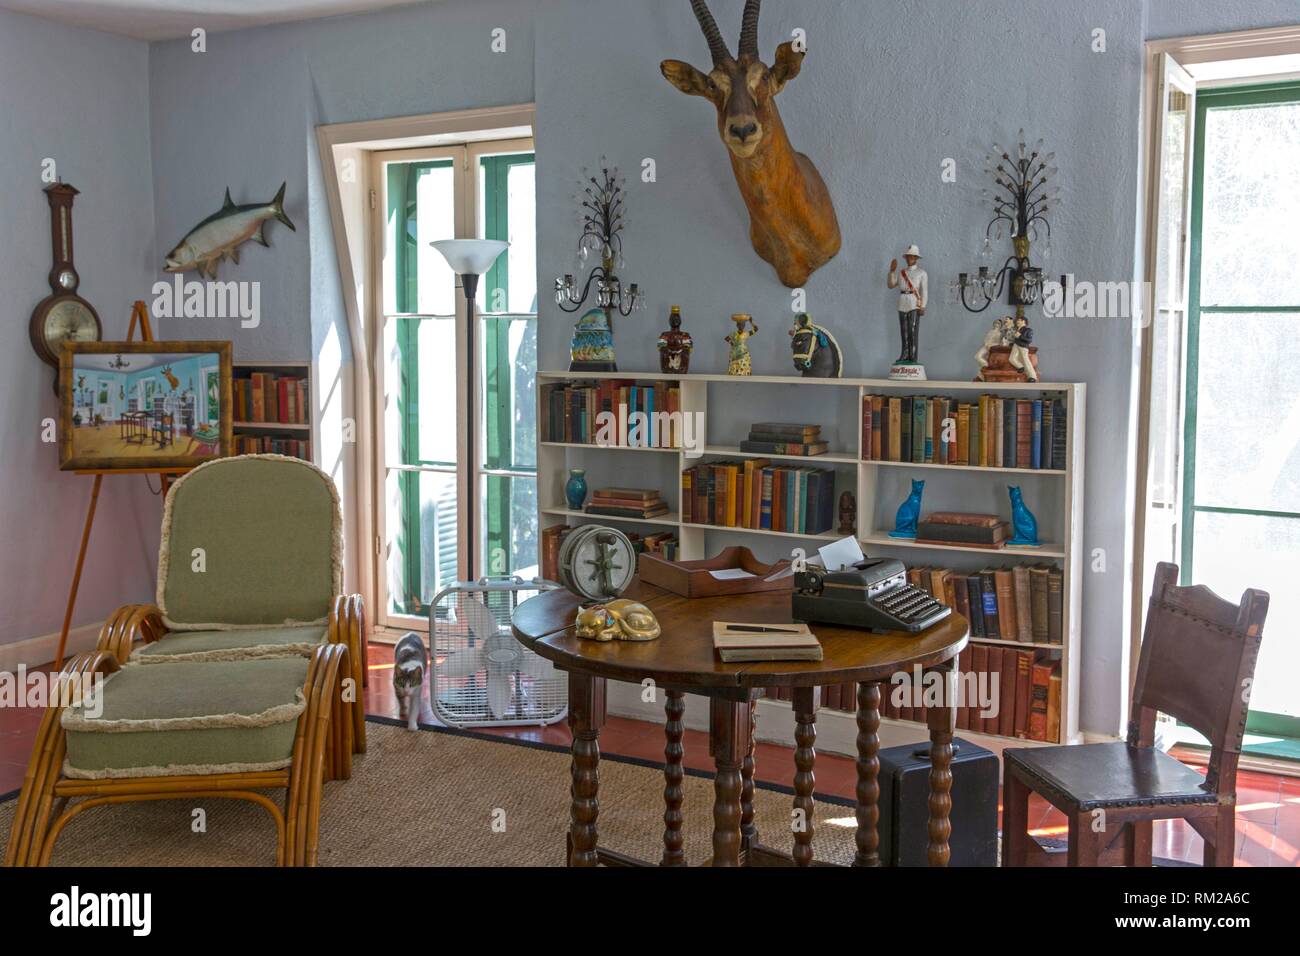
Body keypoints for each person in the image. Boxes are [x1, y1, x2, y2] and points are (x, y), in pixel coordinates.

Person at [887, 244, 928, 365]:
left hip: (914, 303)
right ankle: (904, 354)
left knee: (913, 330)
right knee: (904, 331)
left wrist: (923, 306)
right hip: (902, 302)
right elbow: (891, 285)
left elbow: (924, 291)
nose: (910, 259)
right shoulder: (901, 273)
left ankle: (913, 356)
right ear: (905, 258)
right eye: (908, 257)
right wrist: (892, 272)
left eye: (912, 257)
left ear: (916, 258)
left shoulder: (922, 273)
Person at [1008, 315, 1038, 382]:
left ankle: (1032, 377)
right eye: (1017, 321)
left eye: (1019, 320)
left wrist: (1020, 336)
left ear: (1023, 321)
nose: (1017, 322)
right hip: (1016, 345)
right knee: (1011, 359)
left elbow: (1029, 340)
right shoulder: (1017, 330)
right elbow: (1016, 338)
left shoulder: (1028, 330)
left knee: (1026, 360)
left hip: (1023, 347)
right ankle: (1021, 367)